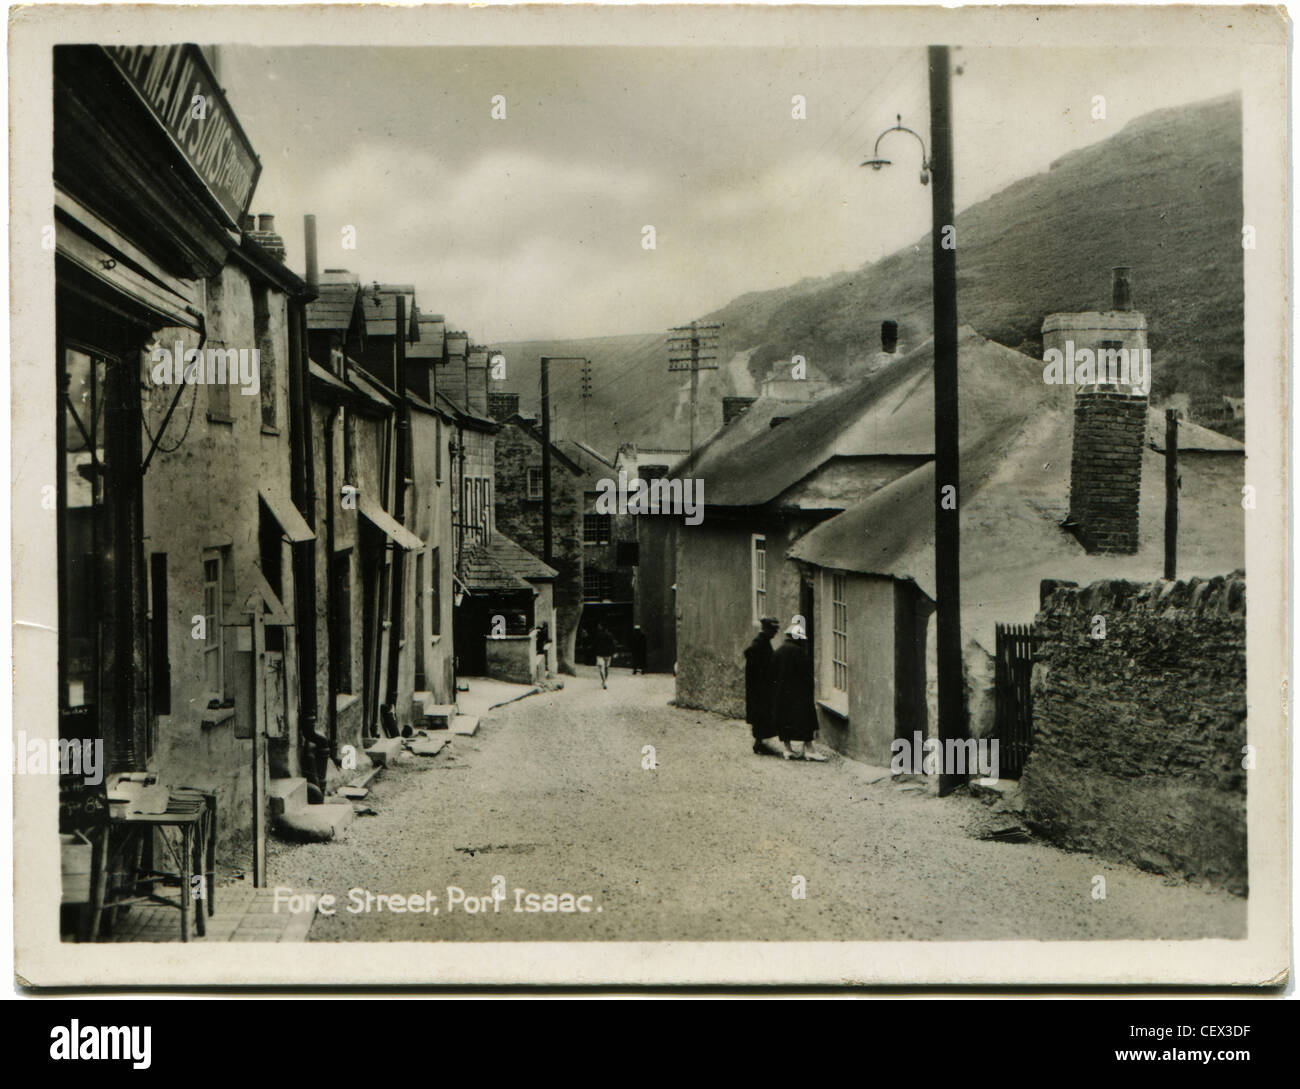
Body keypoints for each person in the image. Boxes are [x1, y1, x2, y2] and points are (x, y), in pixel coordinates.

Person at [771, 622, 828, 761]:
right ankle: (809, 749)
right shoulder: (799, 652)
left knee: (785, 718)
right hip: (799, 694)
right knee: (806, 719)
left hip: (782, 694)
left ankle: (787, 749)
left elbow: (772, 674)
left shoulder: (778, 651)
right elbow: (806, 675)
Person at [744, 617, 783, 755]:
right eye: (773, 630)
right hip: (760, 687)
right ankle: (758, 743)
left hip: (762, 686)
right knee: (761, 713)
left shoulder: (763, 642)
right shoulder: (759, 643)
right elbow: (751, 656)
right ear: (766, 629)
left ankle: (760, 742)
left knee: (763, 713)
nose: (775, 633)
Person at [594, 623, 617, 689]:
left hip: (600, 654)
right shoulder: (610, 635)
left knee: (601, 668)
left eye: (599, 626)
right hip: (608, 654)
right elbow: (613, 645)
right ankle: (605, 681)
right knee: (606, 668)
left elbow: (595, 645)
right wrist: (613, 652)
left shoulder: (598, 635)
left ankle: (604, 681)